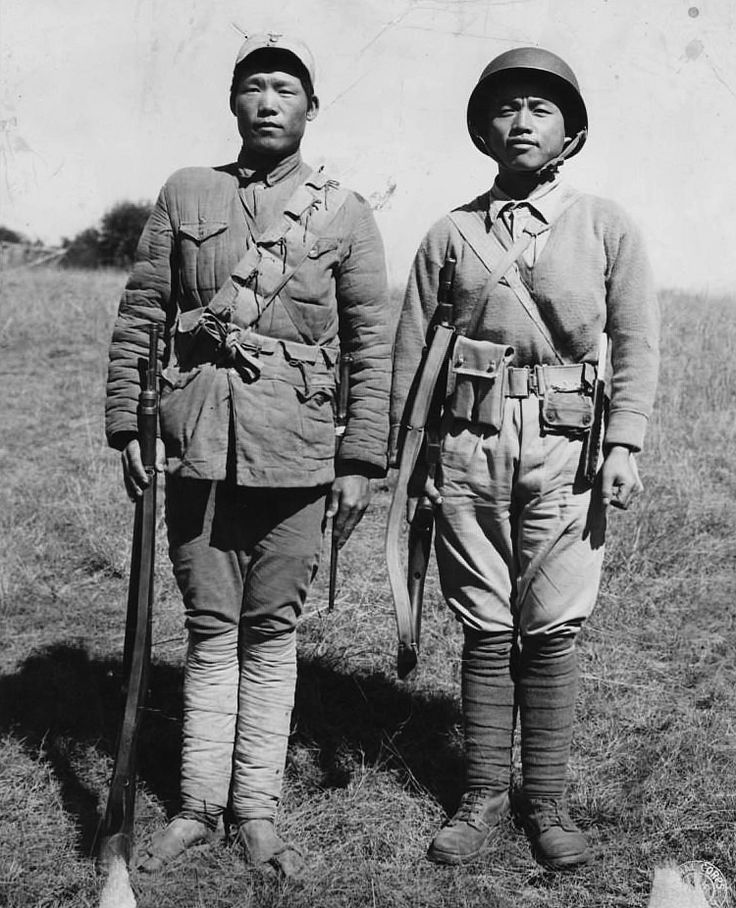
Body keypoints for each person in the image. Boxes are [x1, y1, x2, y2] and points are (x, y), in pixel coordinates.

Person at [105, 33, 392, 879]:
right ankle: (196, 804)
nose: (269, 102)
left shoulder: (345, 211)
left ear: (311, 108)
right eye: (254, 88)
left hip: (299, 454)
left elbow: (372, 345)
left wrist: (359, 460)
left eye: (287, 90)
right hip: (192, 445)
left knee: (271, 632)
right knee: (207, 629)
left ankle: (257, 811)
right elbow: (144, 310)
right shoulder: (187, 193)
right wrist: (130, 424)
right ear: (233, 104)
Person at [390, 47, 659, 870]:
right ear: (485, 129)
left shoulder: (604, 223)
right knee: (484, 621)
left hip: (569, 446)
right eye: (506, 109)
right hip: (468, 443)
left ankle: (544, 803)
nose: (521, 122)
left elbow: (634, 340)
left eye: (541, 110)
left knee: (551, 626)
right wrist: (408, 464)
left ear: (570, 133)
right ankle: (479, 798)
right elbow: (409, 354)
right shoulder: (450, 232)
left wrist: (624, 443)